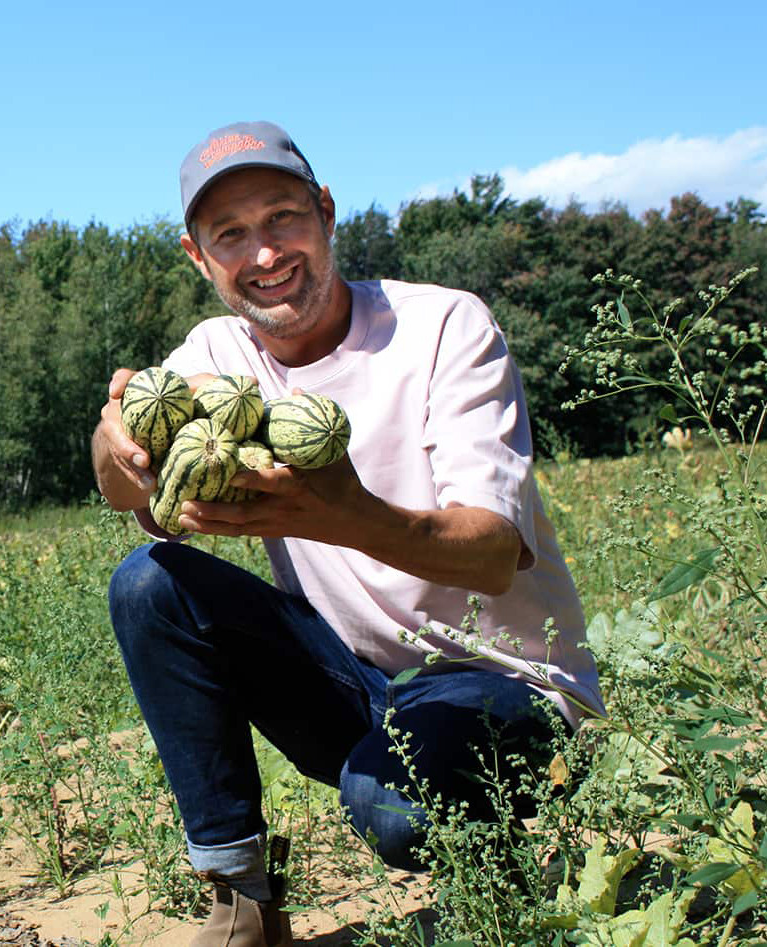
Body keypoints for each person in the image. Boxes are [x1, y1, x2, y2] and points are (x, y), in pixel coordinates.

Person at [91, 121, 604, 947]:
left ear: (326, 213)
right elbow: (127, 483)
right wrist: (117, 437)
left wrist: (338, 513)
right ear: (198, 255)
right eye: (232, 234)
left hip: (505, 682)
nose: (264, 254)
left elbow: (493, 552)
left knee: (393, 804)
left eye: (283, 218)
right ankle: (240, 896)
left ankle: (504, 864)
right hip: (355, 682)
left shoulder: (445, 327)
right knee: (152, 581)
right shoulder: (216, 355)